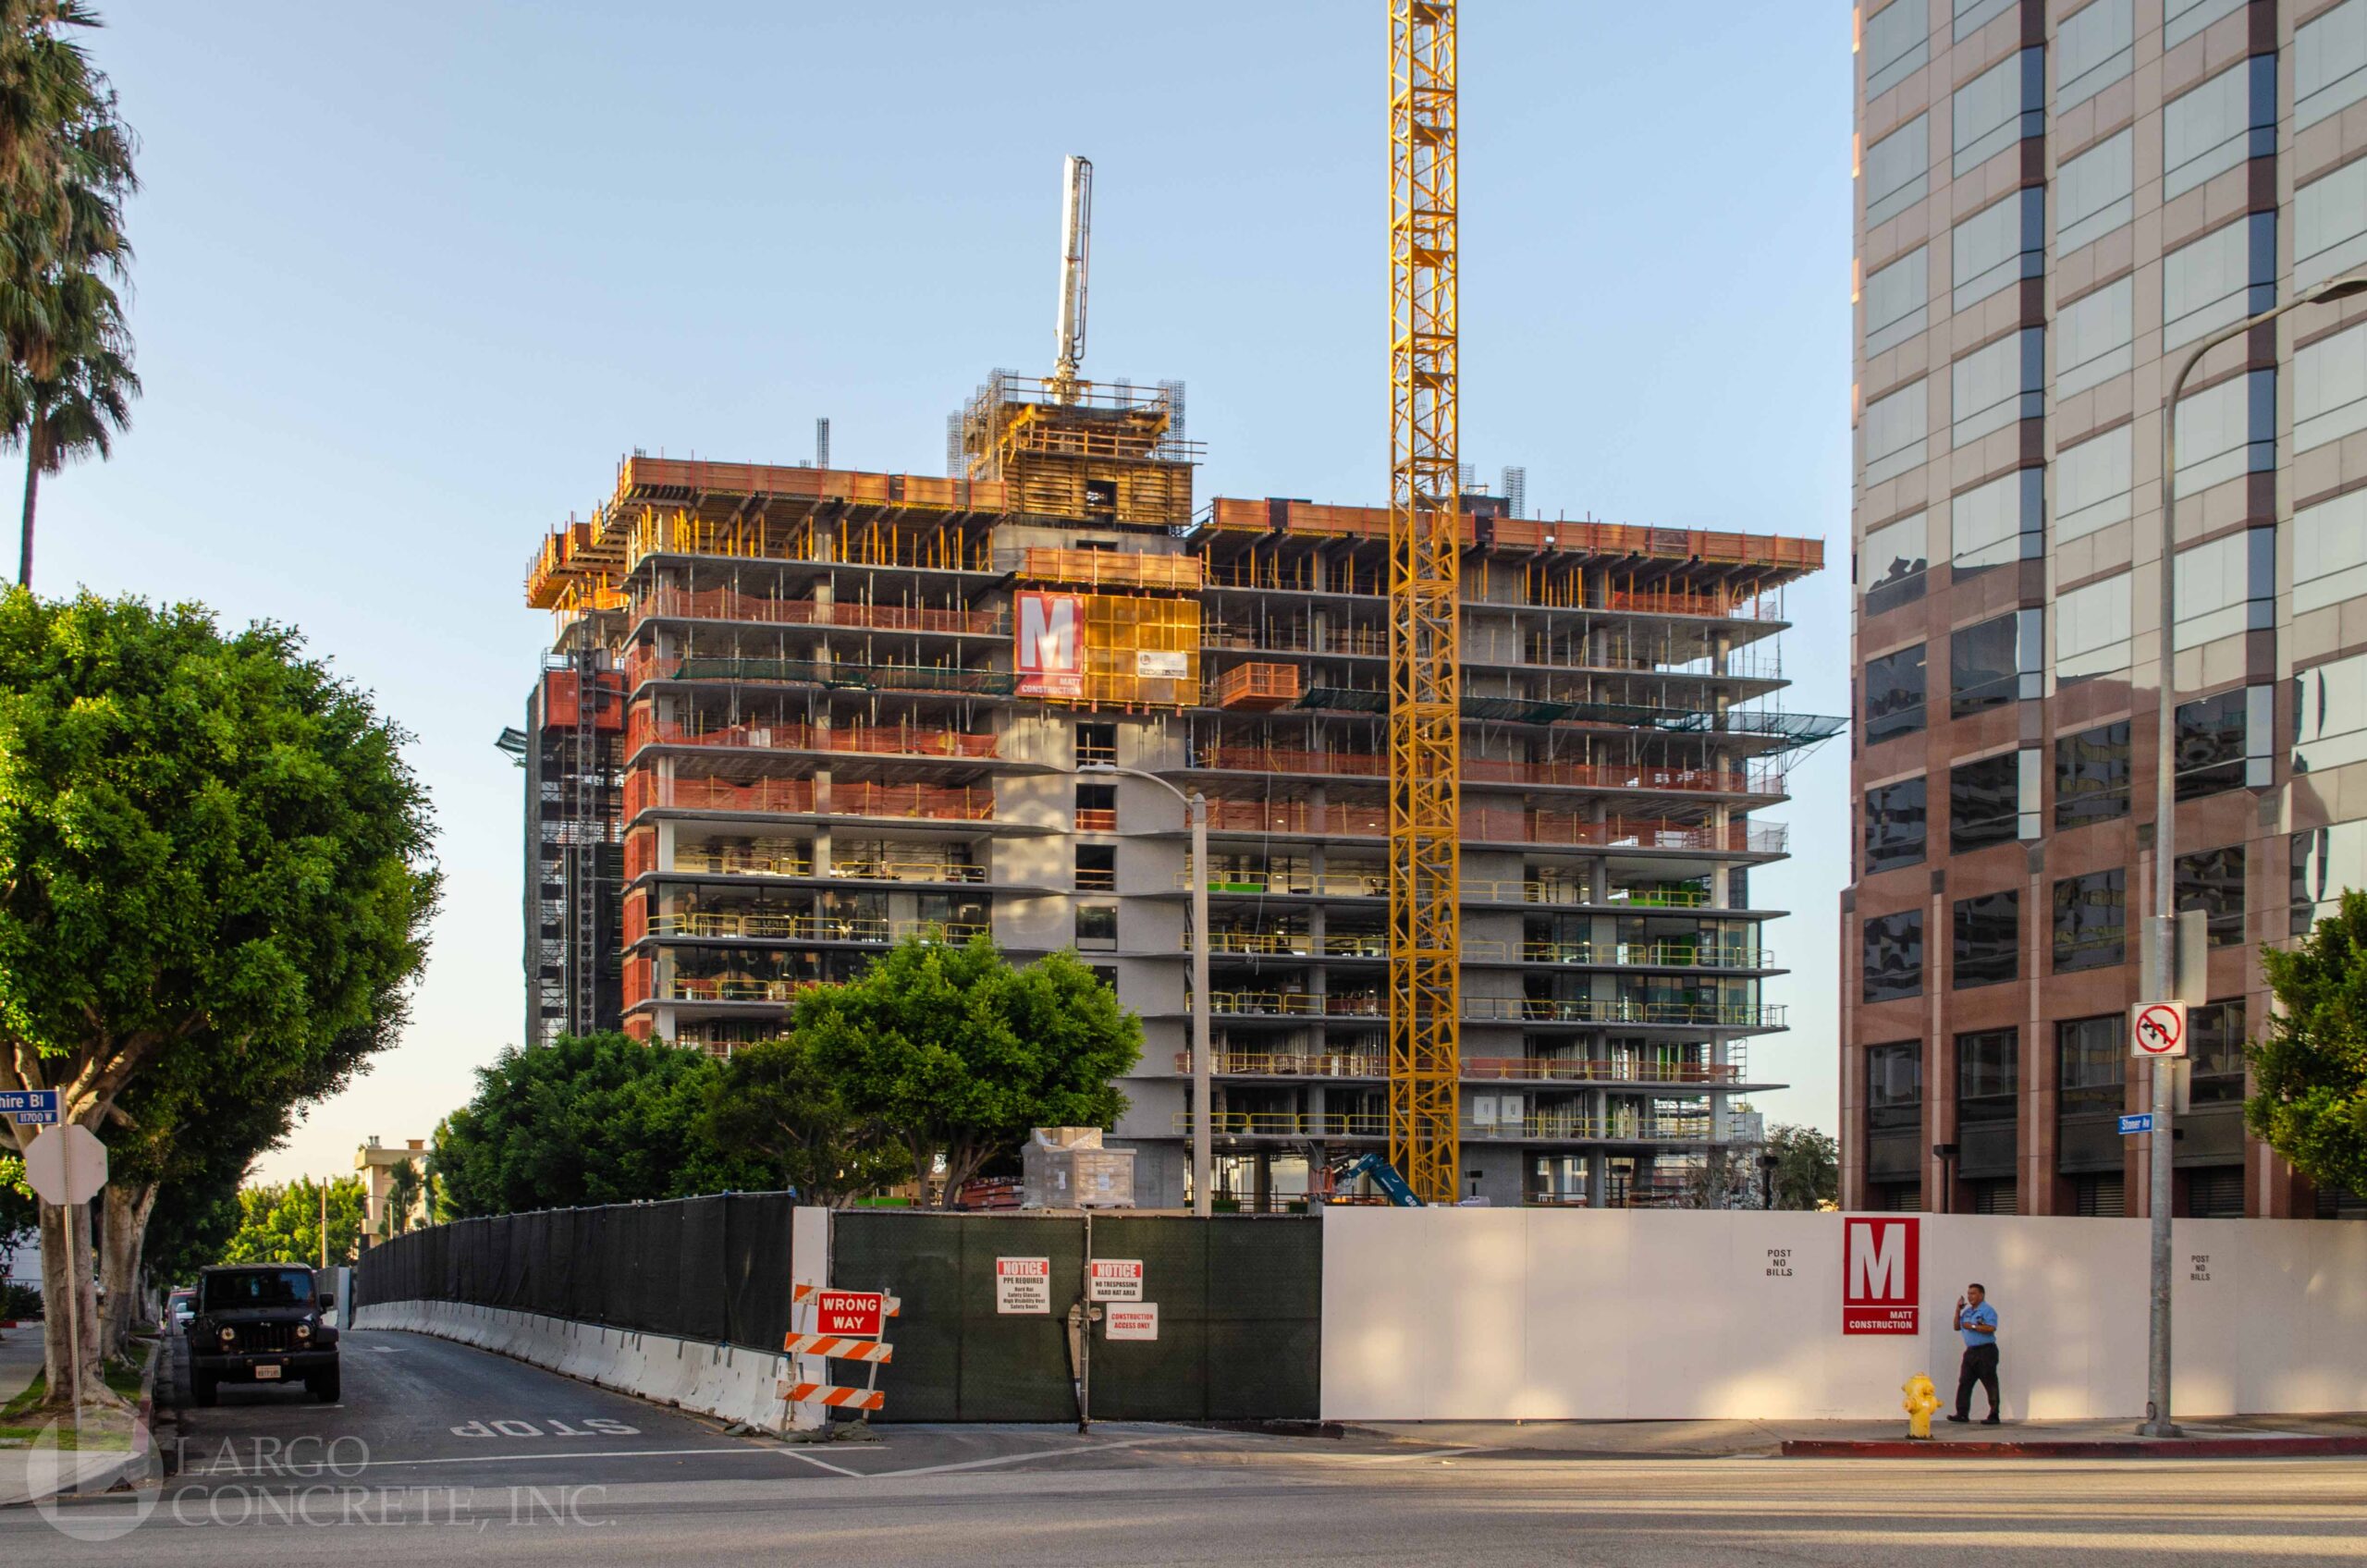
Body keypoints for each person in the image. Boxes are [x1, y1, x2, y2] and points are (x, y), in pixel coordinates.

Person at [1947, 1281, 2001, 1425]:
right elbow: (1956, 1327)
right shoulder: (1967, 1311)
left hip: (1986, 1350)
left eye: (1973, 1293)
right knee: (1965, 1382)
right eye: (1968, 1294)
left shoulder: (1987, 1310)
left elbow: (1991, 1328)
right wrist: (1958, 1310)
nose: (1970, 1296)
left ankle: (1994, 1414)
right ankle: (1962, 1413)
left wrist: (1972, 1326)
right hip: (1971, 1351)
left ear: (1981, 1295)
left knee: (1989, 1382)